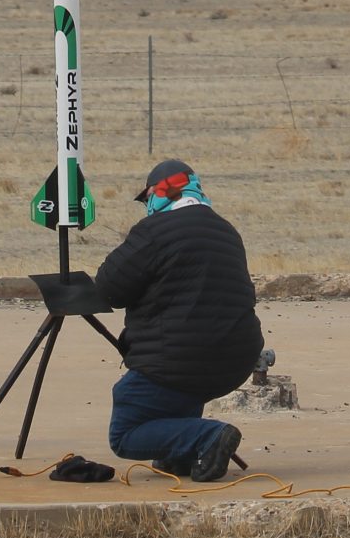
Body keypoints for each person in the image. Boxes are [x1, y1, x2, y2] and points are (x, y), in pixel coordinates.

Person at [92, 158, 263, 482]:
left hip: (179, 359)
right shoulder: (226, 231)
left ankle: (207, 437)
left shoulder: (155, 231)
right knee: (174, 397)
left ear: (159, 194)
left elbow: (108, 289)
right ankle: (184, 452)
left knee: (126, 432)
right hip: (236, 359)